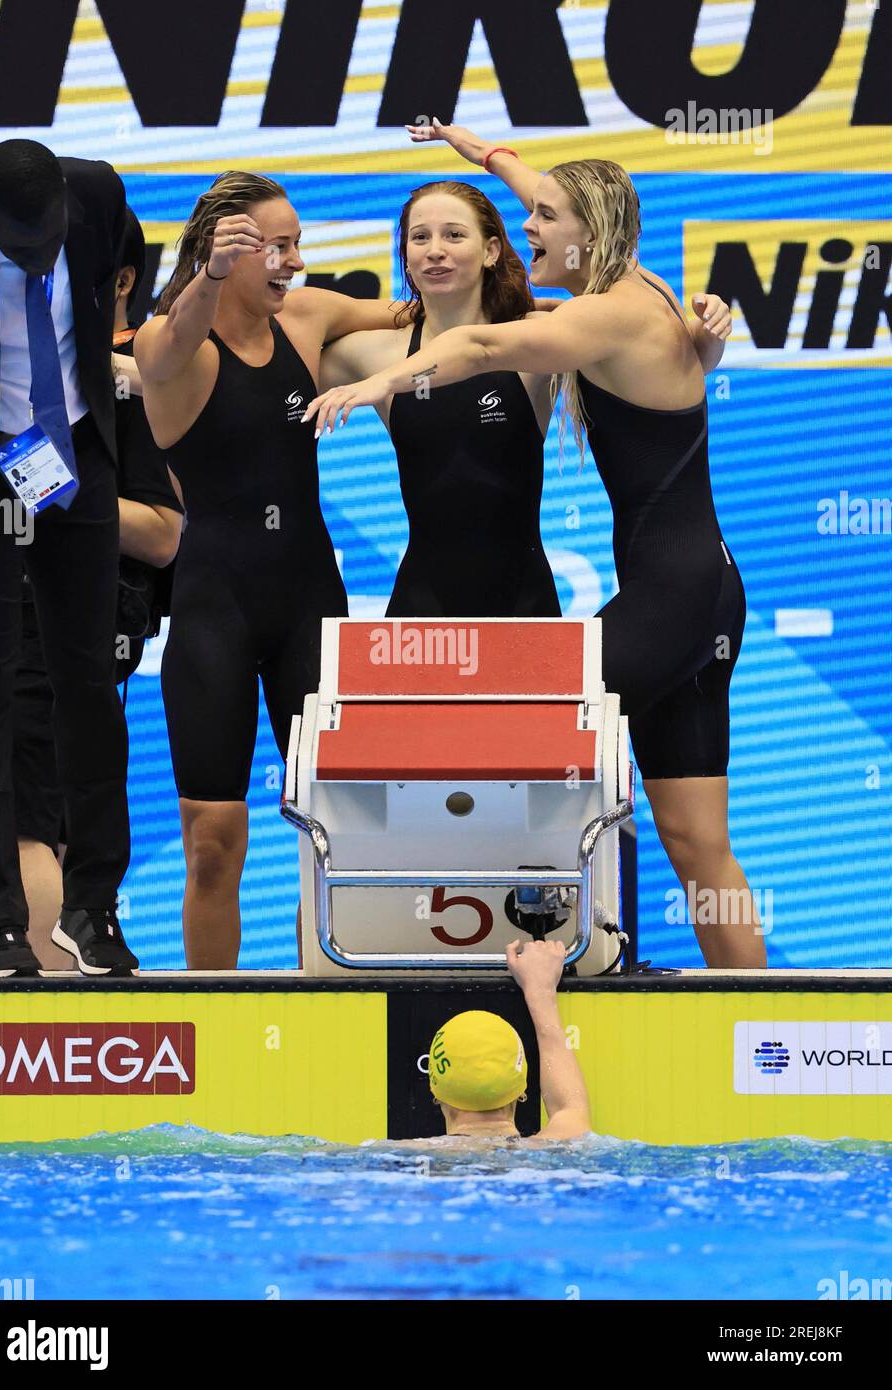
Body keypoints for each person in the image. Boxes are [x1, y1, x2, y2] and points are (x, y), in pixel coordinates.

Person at [305, 124, 764, 970]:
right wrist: (474, 147)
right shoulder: (636, 280)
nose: (528, 231)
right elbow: (533, 185)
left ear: (583, 232)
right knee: (697, 841)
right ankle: (754, 1020)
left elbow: (480, 344)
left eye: (541, 221)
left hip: (677, 597)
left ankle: (601, 946)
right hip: (700, 592)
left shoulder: (604, 316)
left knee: (546, 727)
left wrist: (375, 383)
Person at [134, 172, 407, 970]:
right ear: (224, 247)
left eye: (296, 243)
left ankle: (324, 992)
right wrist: (209, 276)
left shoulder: (306, 316)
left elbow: (424, 314)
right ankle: (215, 1015)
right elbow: (172, 343)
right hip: (215, 605)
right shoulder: (166, 341)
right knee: (213, 841)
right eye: (275, 246)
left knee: (336, 827)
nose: (292, 261)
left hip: (309, 603)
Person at [0, 139, 137, 976]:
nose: (38, 255)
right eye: (16, 247)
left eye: (49, 239)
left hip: (79, 461)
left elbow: (120, 292)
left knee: (89, 685)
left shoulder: (97, 196)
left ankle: (93, 907)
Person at [12, 208, 183, 970]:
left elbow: (161, 531)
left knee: (29, 816)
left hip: (62, 625)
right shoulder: (3, 369)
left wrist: (40, 489)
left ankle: (52, 1006)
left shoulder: (132, 384)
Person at [319, 180, 560, 617]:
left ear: (490, 251)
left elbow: (631, 324)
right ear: (407, 260)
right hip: (420, 606)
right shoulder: (376, 353)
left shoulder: (533, 342)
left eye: (454, 234)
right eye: (420, 237)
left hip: (524, 605)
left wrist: (704, 330)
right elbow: (266, 380)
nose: (434, 250)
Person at [423, 940, 590, 1143]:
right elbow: (570, 1108)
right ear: (521, 1089)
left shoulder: (404, 1157)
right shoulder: (560, 1147)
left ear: (435, 1092)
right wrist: (541, 992)